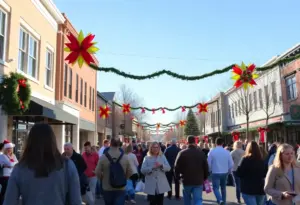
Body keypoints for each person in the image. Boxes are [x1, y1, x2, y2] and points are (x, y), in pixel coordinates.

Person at [3, 123, 81, 205]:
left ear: (30, 142)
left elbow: (9, 201)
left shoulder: (20, 169)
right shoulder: (67, 165)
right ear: (53, 141)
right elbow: (76, 201)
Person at [95, 137, 133, 205]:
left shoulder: (103, 157)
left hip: (107, 187)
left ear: (110, 144)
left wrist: (103, 179)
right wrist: (124, 178)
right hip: (121, 187)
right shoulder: (125, 157)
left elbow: (97, 172)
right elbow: (130, 171)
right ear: (119, 144)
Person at [175, 136, 209, 205]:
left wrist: (178, 178)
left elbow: (176, 167)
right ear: (195, 142)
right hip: (198, 180)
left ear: (187, 142)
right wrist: (205, 177)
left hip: (186, 180)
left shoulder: (182, 153)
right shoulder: (201, 153)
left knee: (187, 199)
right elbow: (206, 167)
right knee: (198, 199)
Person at [208, 137, 234, 205]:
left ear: (216, 143)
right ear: (222, 143)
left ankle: (219, 199)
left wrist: (210, 170)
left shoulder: (212, 151)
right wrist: (229, 171)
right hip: (224, 172)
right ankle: (224, 202)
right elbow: (231, 163)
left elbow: (209, 163)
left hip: (215, 172)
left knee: (215, 188)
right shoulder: (227, 152)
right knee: (223, 188)